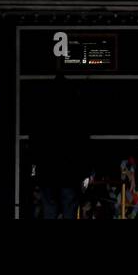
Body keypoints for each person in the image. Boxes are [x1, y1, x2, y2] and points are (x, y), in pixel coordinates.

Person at [30, 65, 89, 219]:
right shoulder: (76, 111)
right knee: (69, 208)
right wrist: (84, 171)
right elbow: (82, 143)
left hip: (47, 171)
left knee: (49, 208)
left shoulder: (43, 111)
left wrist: (35, 164)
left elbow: (35, 140)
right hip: (69, 172)